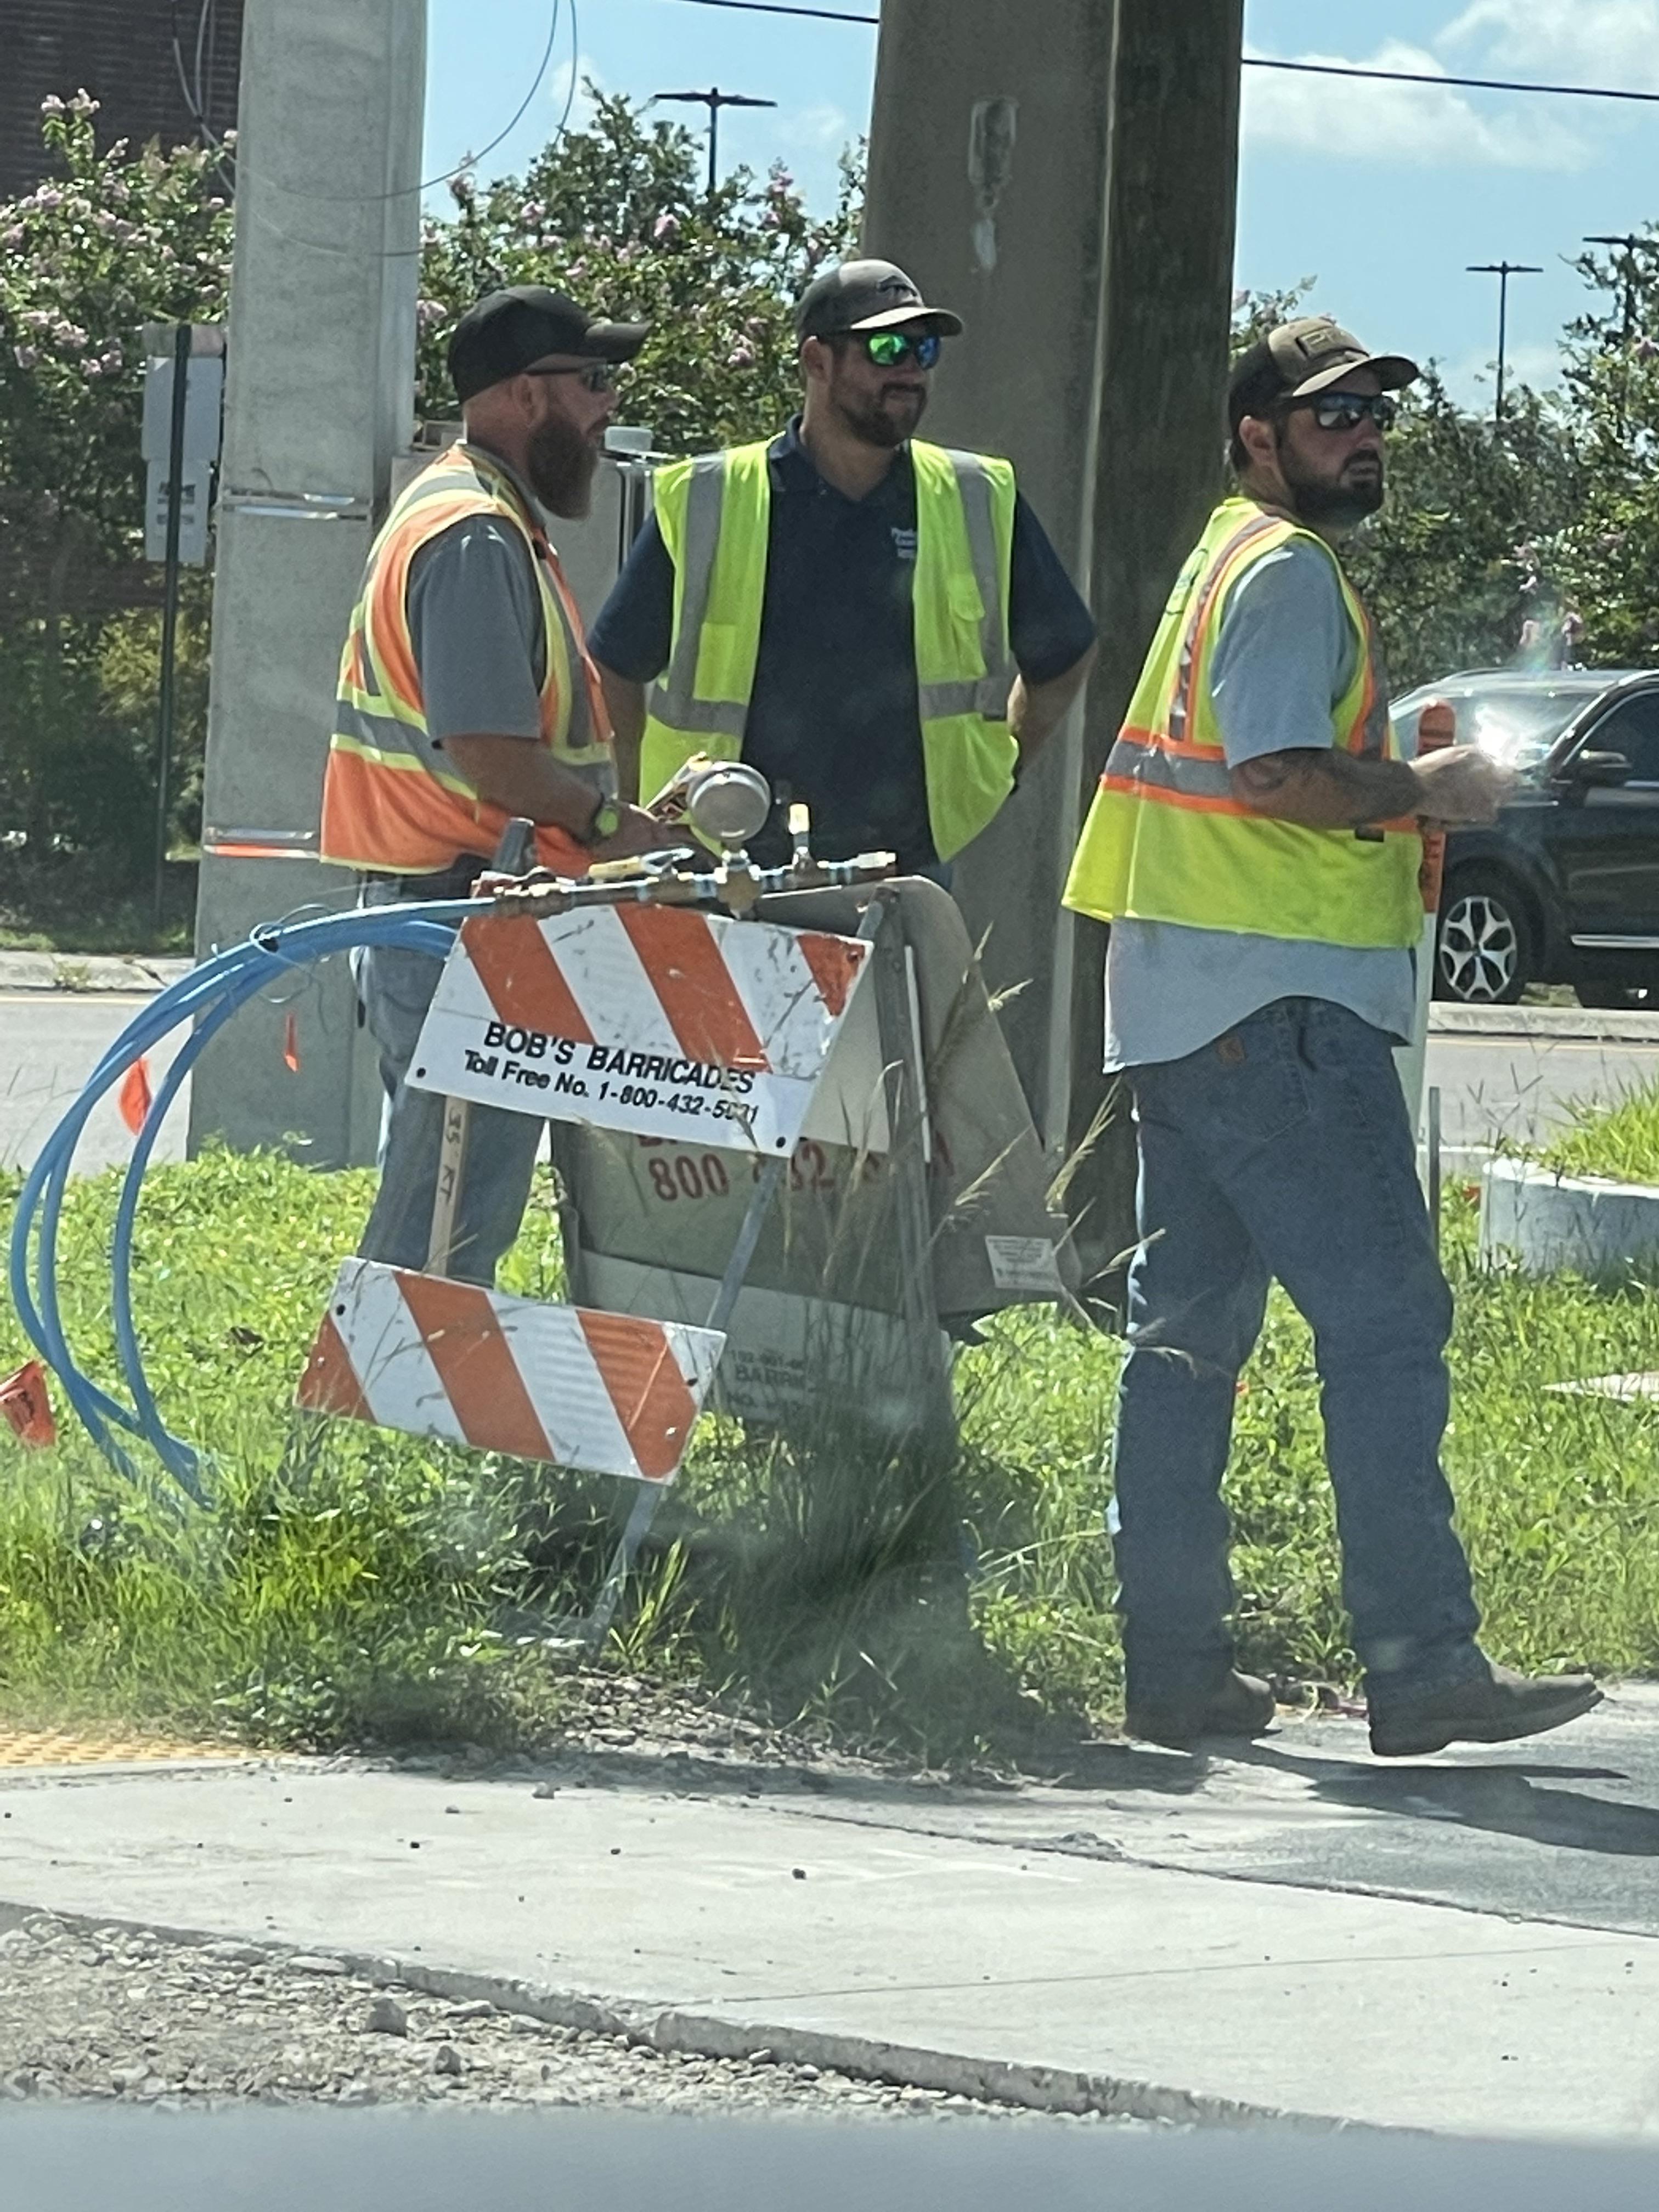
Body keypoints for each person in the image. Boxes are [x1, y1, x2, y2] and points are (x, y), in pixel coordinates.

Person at [1063, 314, 1602, 1760]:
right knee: (1385, 1323)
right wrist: (1425, 789)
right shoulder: (1288, 571)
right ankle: (1422, 1662)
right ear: (1258, 437)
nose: (1361, 431)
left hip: (1187, 1009)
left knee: (1187, 1343)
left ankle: (1173, 1670)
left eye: (1372, 410)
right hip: (1281, 1016)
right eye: (1331, 413)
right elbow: (1280, 773)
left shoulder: (1221, 558)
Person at [320, 285, 664, 1285]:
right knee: (446, 1216)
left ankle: (399, 1401)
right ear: (524, 394)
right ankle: (381, 1402)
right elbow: (489, 751)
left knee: (449, 1198)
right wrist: (606, 821)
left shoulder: (478, 512)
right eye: (592, 382)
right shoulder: (473, 531)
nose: (606, 408)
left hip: (449, 909)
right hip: (455, 915)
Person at [589, 258, 1097, 878]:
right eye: (886, 348)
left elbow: (1065, 653)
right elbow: (615, 665)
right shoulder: (710, 498)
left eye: (923, 349)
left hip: (904, 869)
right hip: (728, 870)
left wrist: (1001, 771)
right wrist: (637, 814)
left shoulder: (975, 496)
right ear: (817, 361)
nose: (910, 368)